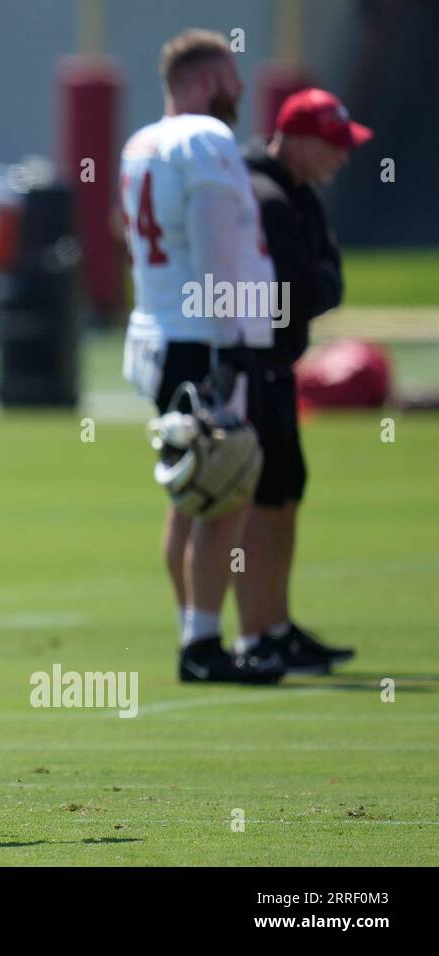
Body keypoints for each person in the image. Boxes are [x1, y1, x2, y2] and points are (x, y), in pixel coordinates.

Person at [119, 29, 283, 683]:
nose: (240, 91)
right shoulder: (206, 140)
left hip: (160, 330)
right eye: (231, 77)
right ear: (206, 81)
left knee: (189, 490)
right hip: (202, 336)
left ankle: (197, 632)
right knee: (224, 487)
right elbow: (217, 241)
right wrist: (231, 341)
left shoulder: (140, 143)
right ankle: (204, 645)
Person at [236, 88, 368, 673]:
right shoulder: (265, 196)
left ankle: (278, 625)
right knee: (258, 500)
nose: (342, 156)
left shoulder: (298, 195)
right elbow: (296, 293)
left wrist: (317, 284)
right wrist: (316, 284)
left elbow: (329, 280)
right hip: (251, 363)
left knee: (285, 493)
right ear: (298, 141)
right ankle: (254, 632)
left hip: (278, 363)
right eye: (333, 144)